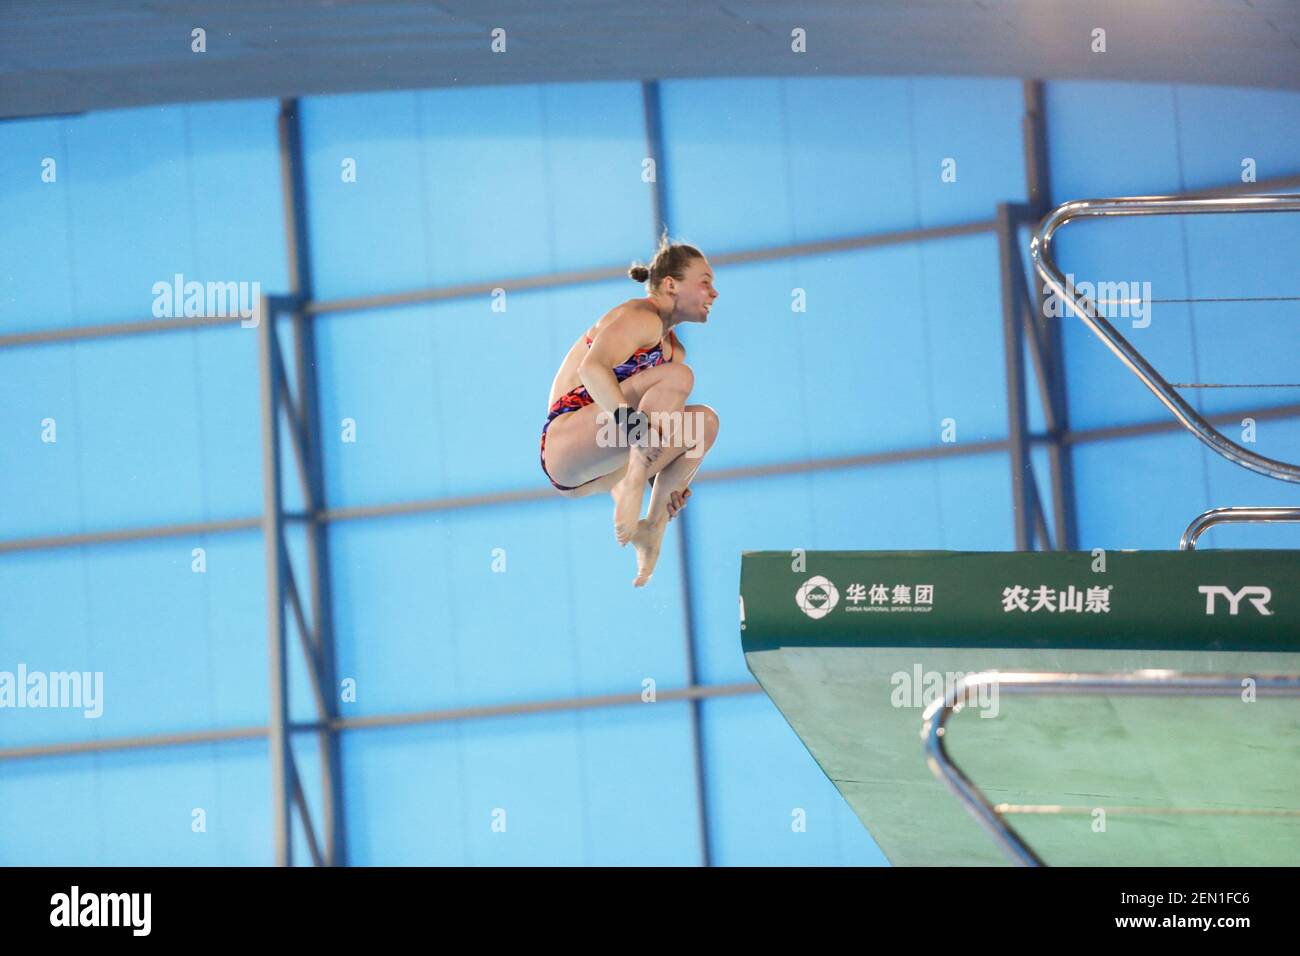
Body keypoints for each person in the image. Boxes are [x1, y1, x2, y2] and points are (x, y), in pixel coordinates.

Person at [539, 236, 720, 586]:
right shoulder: (640, 316)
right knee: (679, 377)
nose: (714, 293)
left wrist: (668, 481)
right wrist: (640, 448)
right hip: (565, 442)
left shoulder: (672, 350)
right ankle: (634, 480)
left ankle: (652, 528)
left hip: (602, 466)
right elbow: (592, 370)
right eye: (705, 283)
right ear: (670, 285)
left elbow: (660, 424)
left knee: (705, 423)